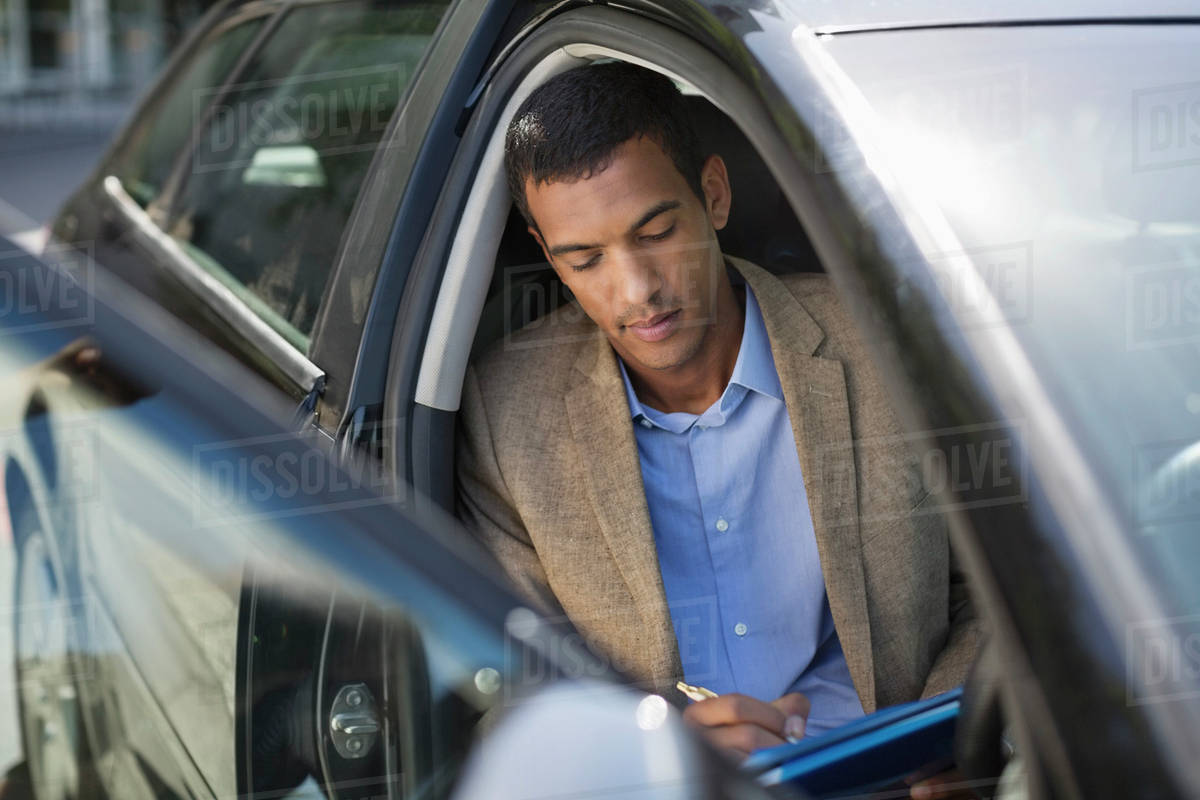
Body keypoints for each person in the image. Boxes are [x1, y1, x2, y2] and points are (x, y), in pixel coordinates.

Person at [456, 61, 980, 792]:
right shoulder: (505, 415)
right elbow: (513, 685)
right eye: (586, 260)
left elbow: (1001, 588)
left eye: (658, 231)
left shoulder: (886, 343)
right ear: (550, 259)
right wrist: (653, 737)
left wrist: (950, 739)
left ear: (714, 194)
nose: (637, 290)